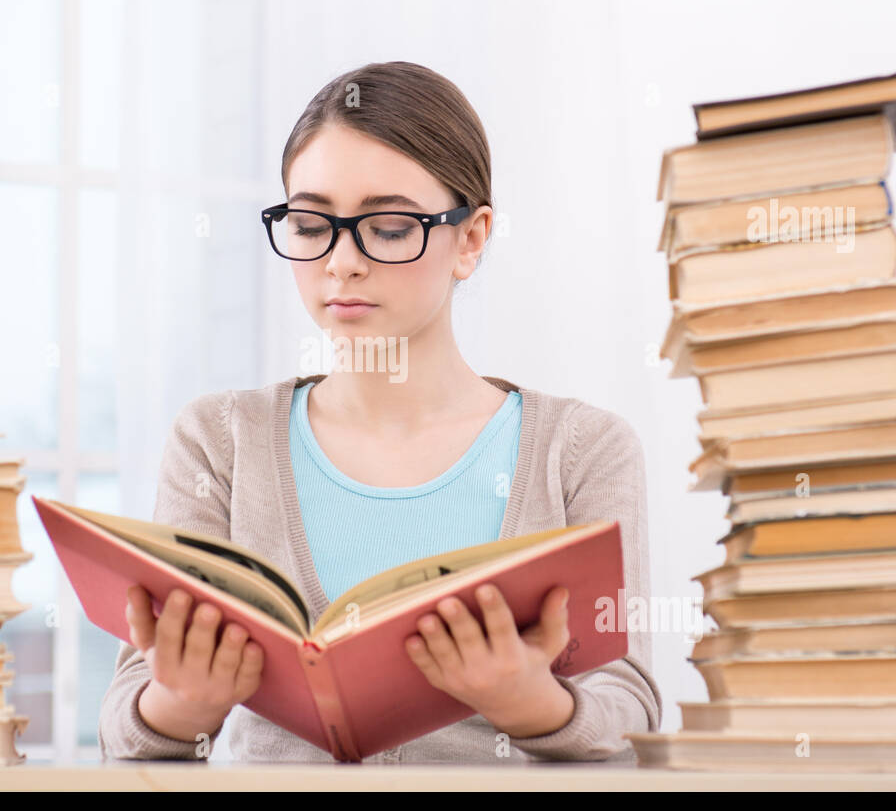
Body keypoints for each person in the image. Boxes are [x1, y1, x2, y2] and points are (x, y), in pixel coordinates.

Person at [98, 60, 661, 764]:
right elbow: (126, 717)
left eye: (388, 228)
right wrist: (182, 704)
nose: (341, 261)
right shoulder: (219, 440)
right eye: (310, 223)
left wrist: (531, 704)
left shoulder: (583, 450)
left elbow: (630, 710)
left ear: (472, 238)